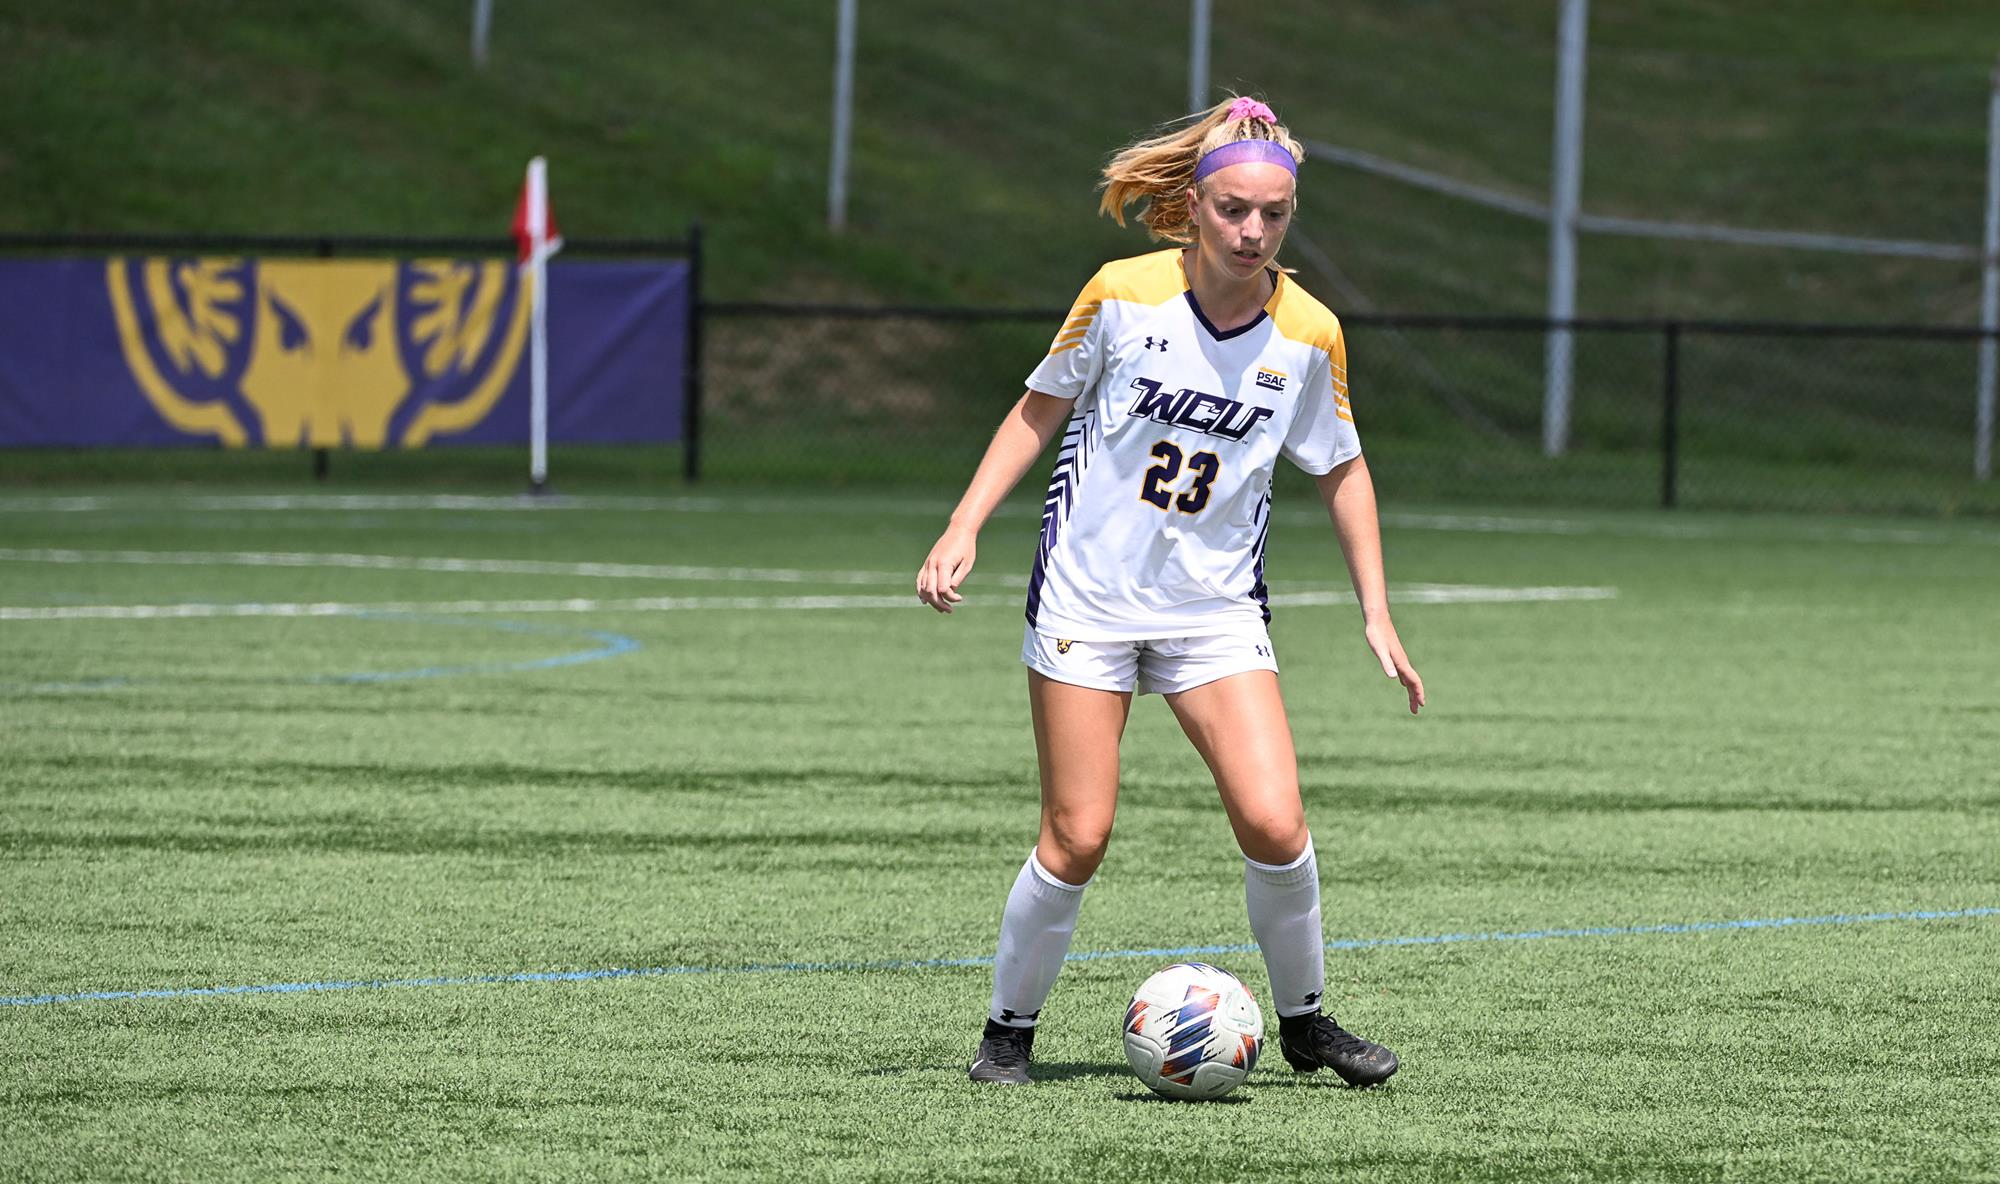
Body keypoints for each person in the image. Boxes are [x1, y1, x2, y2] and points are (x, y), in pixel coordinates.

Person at [915, 95, 1425, 1088]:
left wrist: (1374, 609)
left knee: (1276, 822)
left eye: (1273, 214)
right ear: (1192, 207)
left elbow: (1342, 465)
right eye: (1233, 210)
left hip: (1213, 611)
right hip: (1086, 600)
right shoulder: (1120, 294)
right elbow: (1036, 409)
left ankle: (1306, 1023)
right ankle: (1005, 1035)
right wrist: (963, 521)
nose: (1253, 231)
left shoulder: (1308, 331)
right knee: (1078, 832)